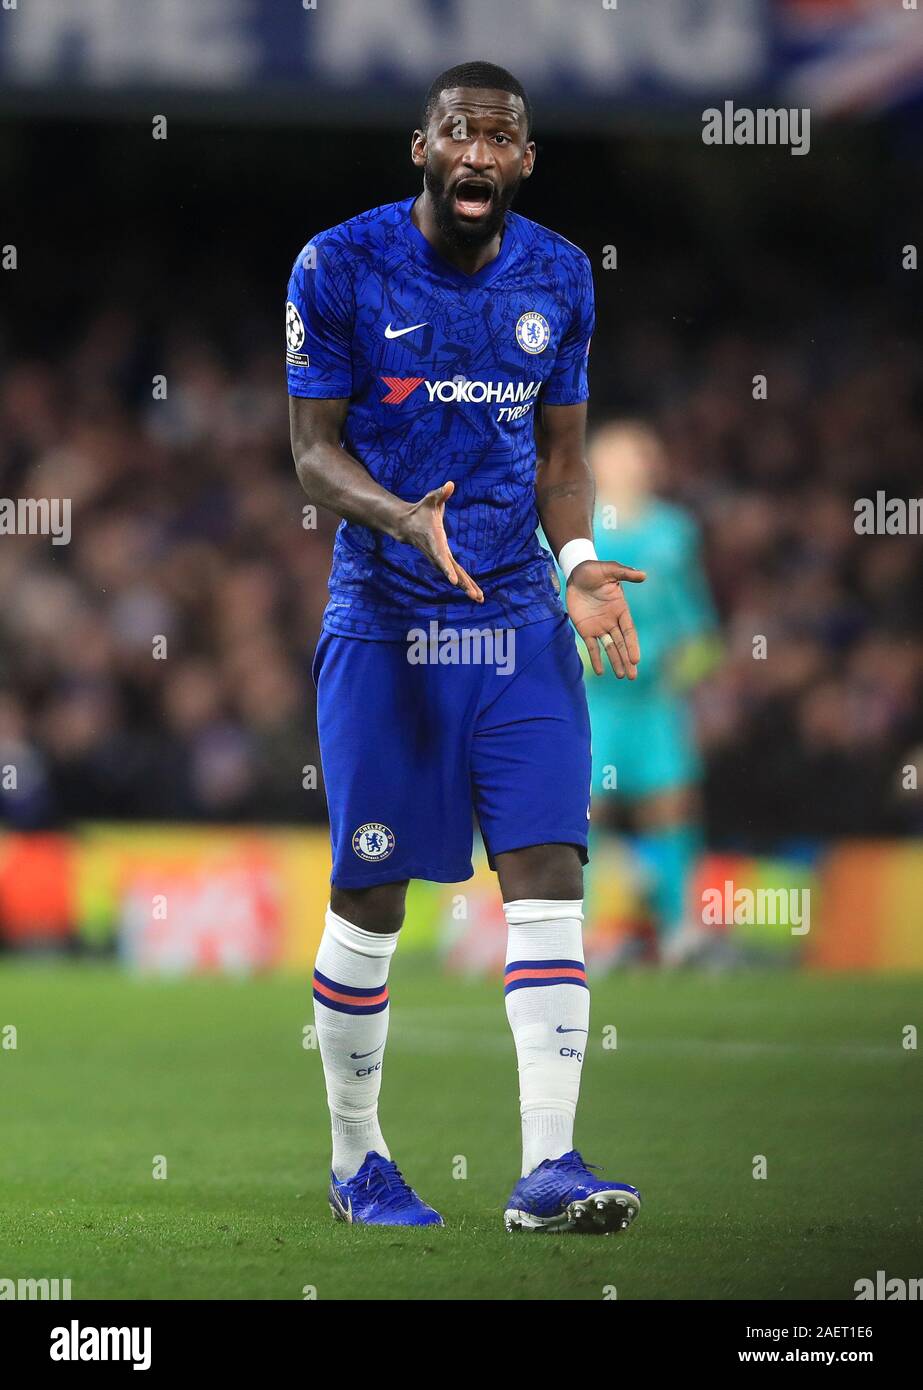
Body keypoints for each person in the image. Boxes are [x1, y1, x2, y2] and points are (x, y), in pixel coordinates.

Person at [287, 61, 643, 1234]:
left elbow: (560, 458)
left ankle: (549, 1168)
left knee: (547, 870)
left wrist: (579, 558)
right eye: (459, 132)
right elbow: (310, 452)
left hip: (515, 630)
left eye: (501, 136)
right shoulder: (336, 264)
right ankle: (357, 1161)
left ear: (524, 160)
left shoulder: (559, 276)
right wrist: (401, 515)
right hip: (385, 628)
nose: (479, 152)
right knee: (370, 897)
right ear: (421, 147)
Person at [585, 422, 721, 966]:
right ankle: (586, 932)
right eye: (618, 455)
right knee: (583, 810)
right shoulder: (569, 532)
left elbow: (701, 626)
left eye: (642, 454)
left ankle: (679, 930)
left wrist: (683, 669)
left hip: (655, 698)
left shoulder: (675, 532)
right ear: (594, 463)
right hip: (592, 697)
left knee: (671, 806)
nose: (631, 465)